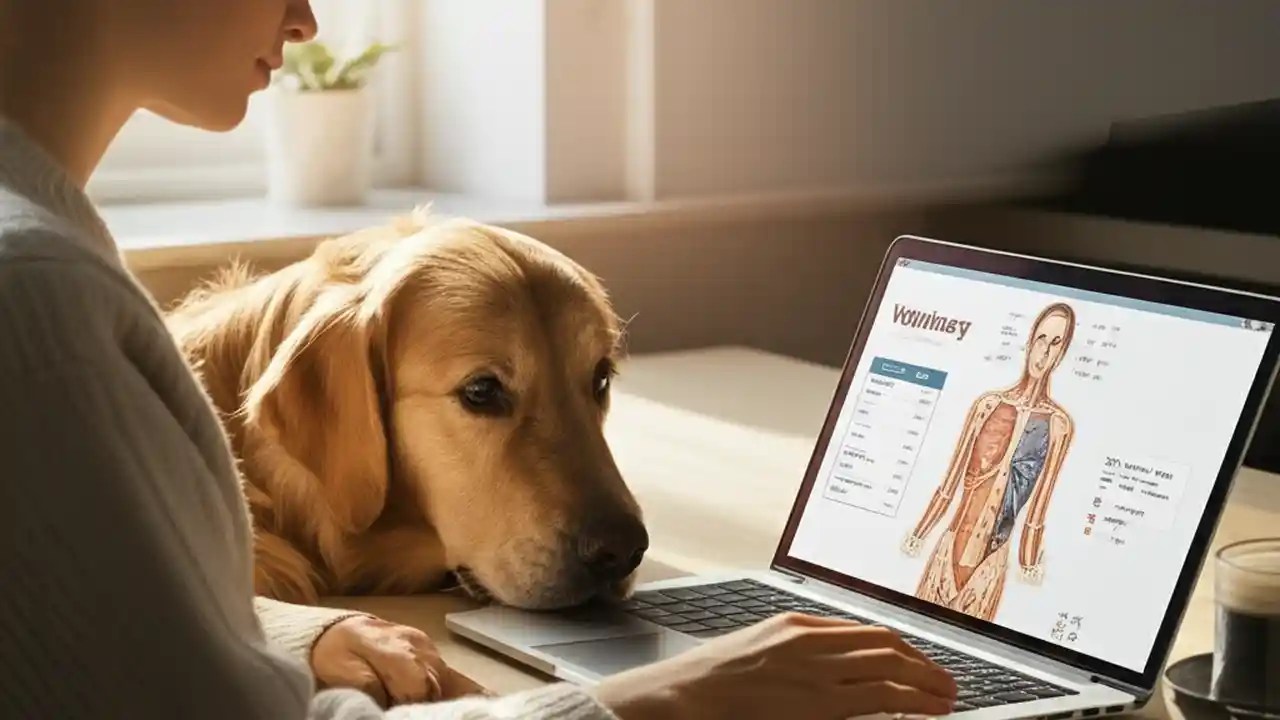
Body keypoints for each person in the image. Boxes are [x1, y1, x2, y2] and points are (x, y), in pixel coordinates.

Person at [0, 1, 959, 718]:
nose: (305, 18)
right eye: (486, 393)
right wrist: (657, 700)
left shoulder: (44, 258)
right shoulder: (37, 299)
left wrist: (291, 633)